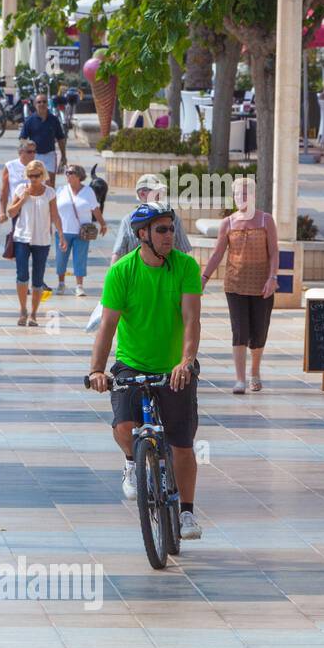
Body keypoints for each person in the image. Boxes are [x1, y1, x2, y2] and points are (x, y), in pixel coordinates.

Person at [87, 202, 203, 540]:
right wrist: (96, 370)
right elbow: (107, 326)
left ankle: (186, 514)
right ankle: (130, 461)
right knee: (124, 426)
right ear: (142, 235)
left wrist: (186, 361)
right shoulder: (122, 271)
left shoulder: (185, 267)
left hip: (174, 367)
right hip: (131, 363)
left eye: (172, 229)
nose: (171, 235)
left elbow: (191, 319)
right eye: (162, 230)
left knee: (182, 445)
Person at [201, 177, 278, 394]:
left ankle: (255, 371)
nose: (240, 198)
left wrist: (272, 278)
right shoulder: (228, 223)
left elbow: (274, 252)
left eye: (244, 194)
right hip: (235, 284)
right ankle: (240, 379)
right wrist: (204, 278)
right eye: (236, 194)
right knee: (239, 330)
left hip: (262, 285)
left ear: (253, 195)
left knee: (259, 330)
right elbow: (217, 254)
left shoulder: (265, 220)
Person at [6, 159, 65, 326]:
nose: (33, 179)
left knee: (38, 278)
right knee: (22, 275)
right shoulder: (21, 189)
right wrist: (21, 199)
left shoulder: (50, 193)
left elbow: (55, 215)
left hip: (42, 240)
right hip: (22, 238)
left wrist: (61, 235)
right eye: (30, 175)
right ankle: (23, 309)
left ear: (43, 175)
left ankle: (33, 314)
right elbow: (10, 212)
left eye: (37, 175)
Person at [110, 173, 191, 262]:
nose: (160, 195)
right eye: (156, 192)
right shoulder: (128, 220)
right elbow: (118, 254)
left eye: (161, 191)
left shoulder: (174, 219)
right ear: (142, 194)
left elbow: (183, 254)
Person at [54, 164, 106, 297]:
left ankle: (79, 286)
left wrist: (102, 224)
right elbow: (53, 210)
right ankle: (61, 283)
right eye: (67, 173)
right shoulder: (61, 190)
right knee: (61, 259)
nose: (68, 175)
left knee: (80, 259)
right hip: (63, 231)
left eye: (71, 173)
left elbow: (95, 209)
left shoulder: (88, 192)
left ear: (79, 176)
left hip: (82, 232)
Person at [19, 92, 67, 184]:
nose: (42, 104)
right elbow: (22, 138)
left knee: (50, 183)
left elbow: (61, 139)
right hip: (35, 156)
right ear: (35, 104)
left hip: (50, 155)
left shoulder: (54, 120)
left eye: (44, 102)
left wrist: (64, 156)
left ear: (47, 104)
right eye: (39, 102)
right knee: (35, 182)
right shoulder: (30, 120)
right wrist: (27, 149)